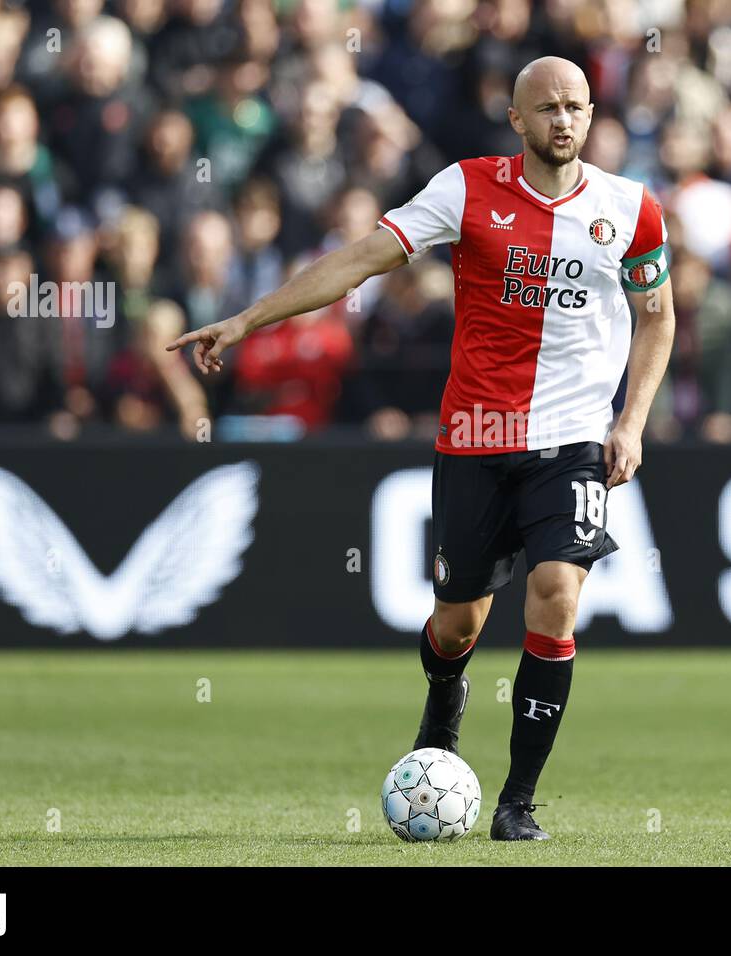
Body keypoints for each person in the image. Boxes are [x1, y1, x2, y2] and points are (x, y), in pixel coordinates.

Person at [168, 56, 676, 841]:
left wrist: (632, 420)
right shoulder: (467, 188)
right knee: (456, 625)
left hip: (573, 440)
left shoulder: (631, 209)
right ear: (517, 119)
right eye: (547, 108)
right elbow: (357, 262)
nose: (564, 121)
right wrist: (248, 319)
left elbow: (658, 316)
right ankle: (446, 698)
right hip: (475, 438)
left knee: (556, 594)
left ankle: (518, 801)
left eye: (576, 106)